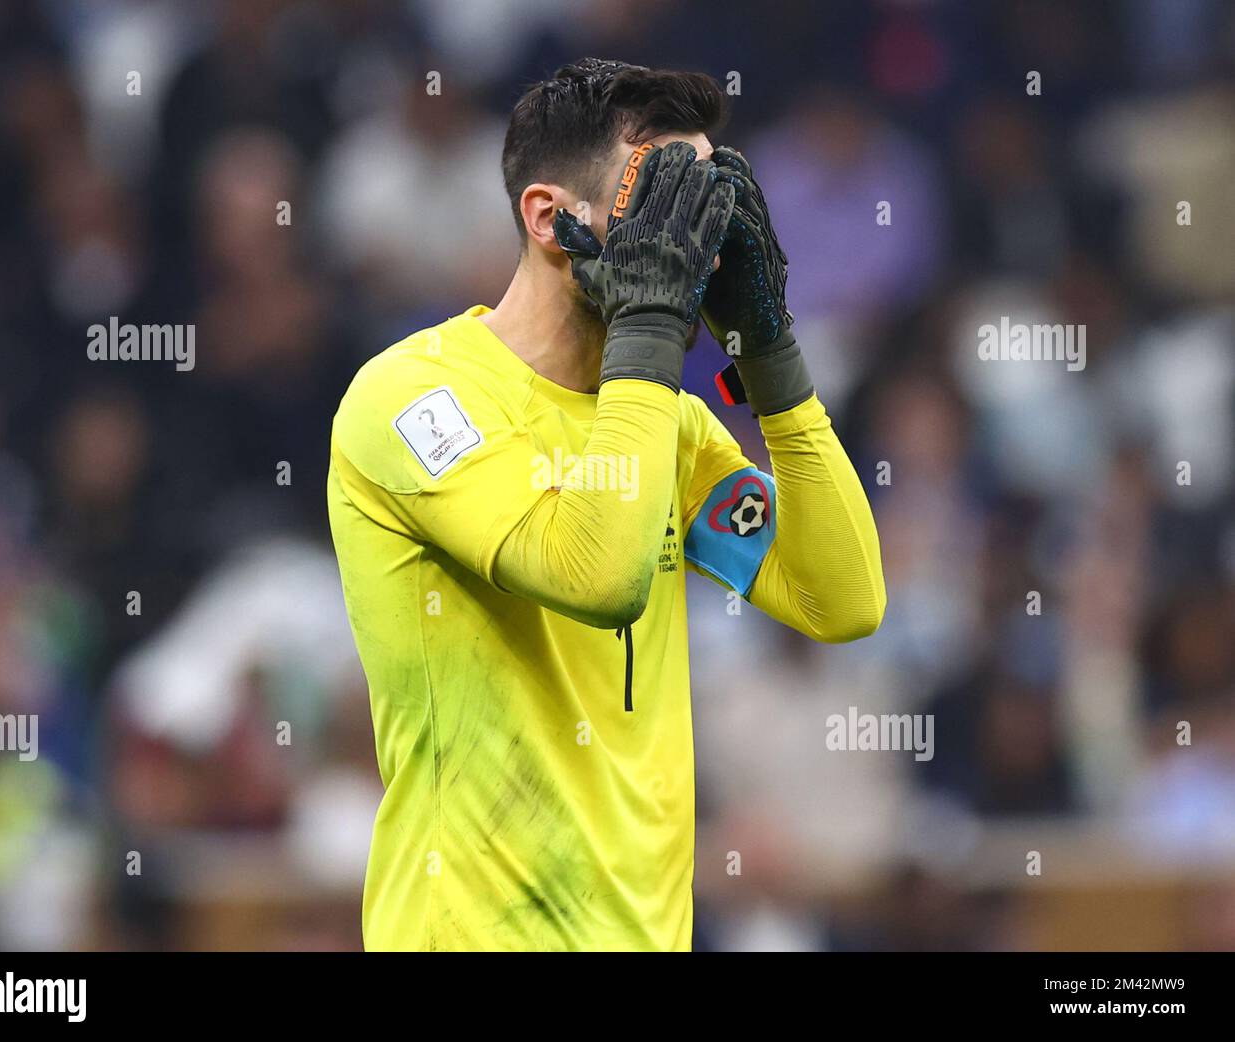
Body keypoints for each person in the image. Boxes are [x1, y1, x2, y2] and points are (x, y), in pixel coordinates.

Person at [327, 58, 886, 951]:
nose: (691, 239)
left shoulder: (664, 424)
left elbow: (843, 599)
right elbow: (600, 573)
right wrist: (654, 328)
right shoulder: (413, 399)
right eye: (659, 196)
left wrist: (768, 352)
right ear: (550, 218)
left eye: (704, 202)